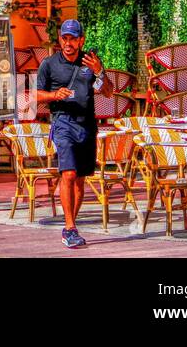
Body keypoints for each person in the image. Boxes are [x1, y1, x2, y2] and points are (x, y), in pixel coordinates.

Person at [35, 20, 111, 249]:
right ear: (60, 39)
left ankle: (71, 224)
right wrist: (55, 95)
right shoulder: (49, 64)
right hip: (63, 123)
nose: (68, 43)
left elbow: (108, 92)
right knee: (67, 173)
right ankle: (69, 228)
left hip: (87, 124)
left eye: (72, 38)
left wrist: (100, 71)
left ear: (81, 40)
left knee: (80, 179)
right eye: (64, 38)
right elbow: (35, 95)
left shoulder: (91, 62)